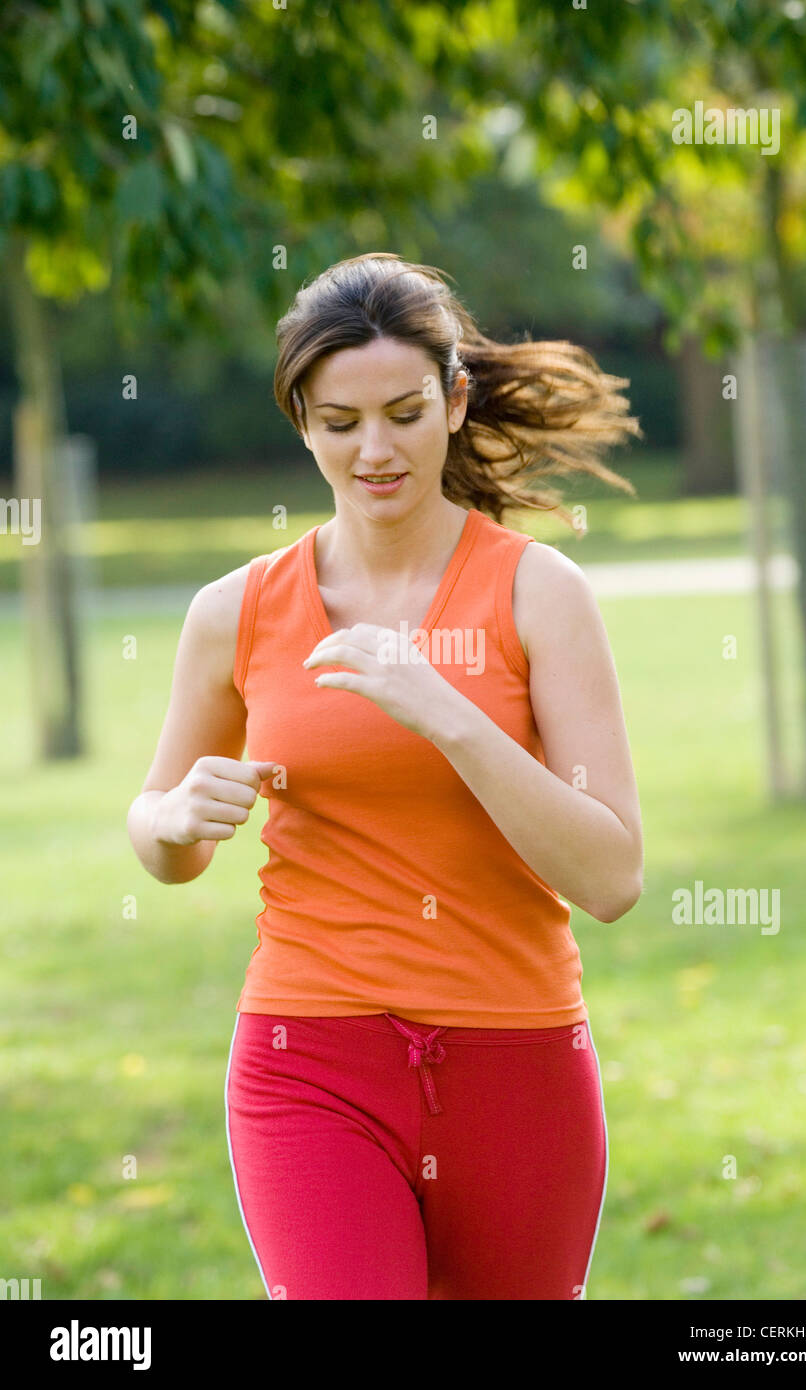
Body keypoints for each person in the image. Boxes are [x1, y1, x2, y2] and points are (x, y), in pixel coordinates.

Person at [127, 252, 644, 1300]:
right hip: (306, 1058)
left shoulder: (539, 596)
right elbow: (161, 837)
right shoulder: (235, 611)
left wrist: (448, 716)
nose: (374, 449)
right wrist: (175, 815)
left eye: (404, 412)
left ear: (453, 400)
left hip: (516, 1061)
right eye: (337, 422)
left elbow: (609, 876)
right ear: (301, 424)